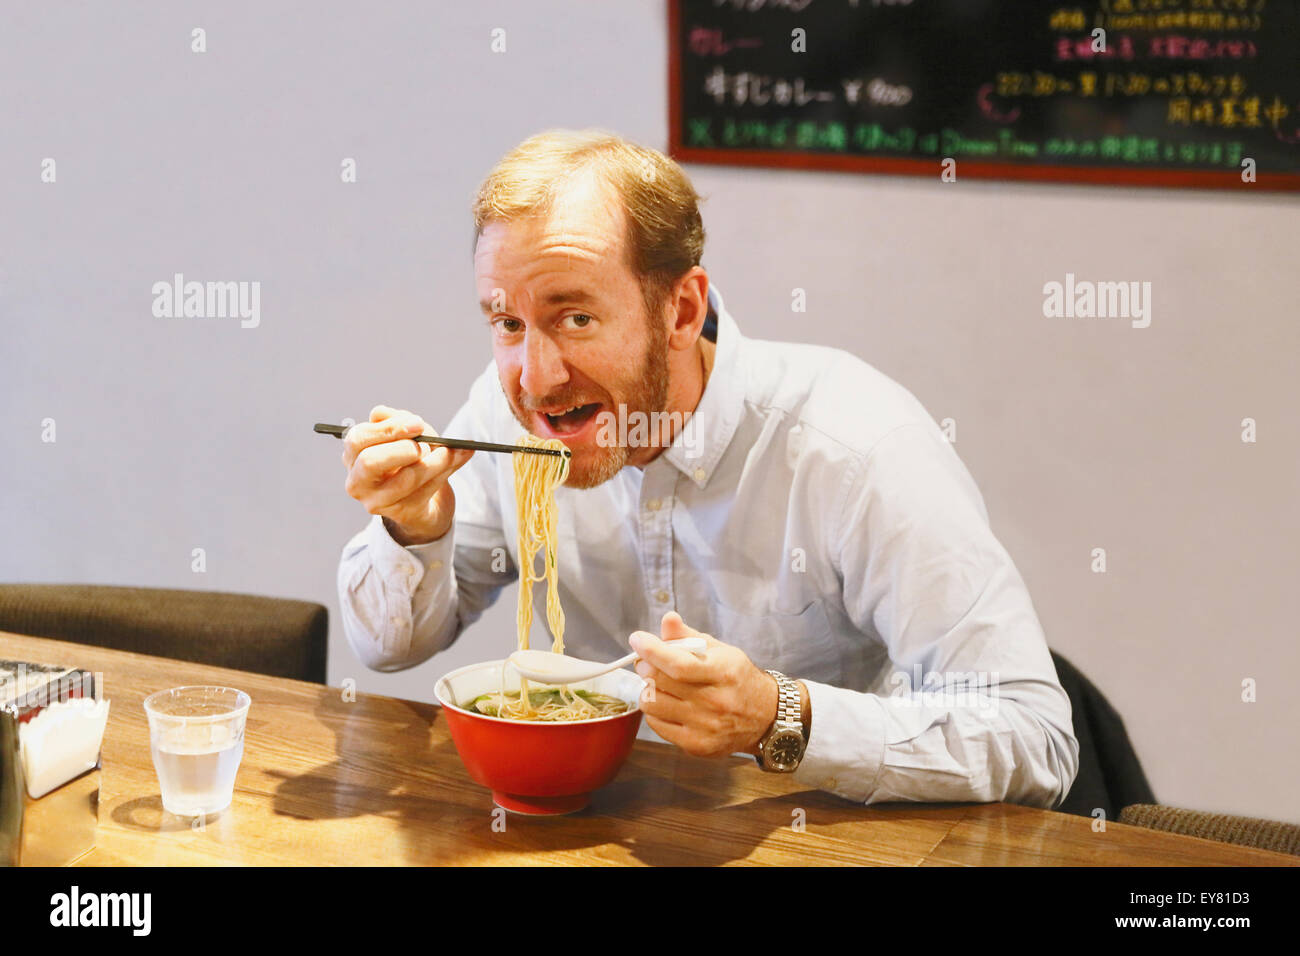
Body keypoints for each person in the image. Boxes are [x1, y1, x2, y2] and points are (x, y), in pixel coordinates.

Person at [336, 129, 1078, 807]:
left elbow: (1033, 737)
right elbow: (389, 649)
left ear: (682, 311)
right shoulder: (508, 418)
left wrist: (776, 716)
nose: (536, 377)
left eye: (576, 318)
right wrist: (413, 525)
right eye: (508, 324)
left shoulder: (853, 447)